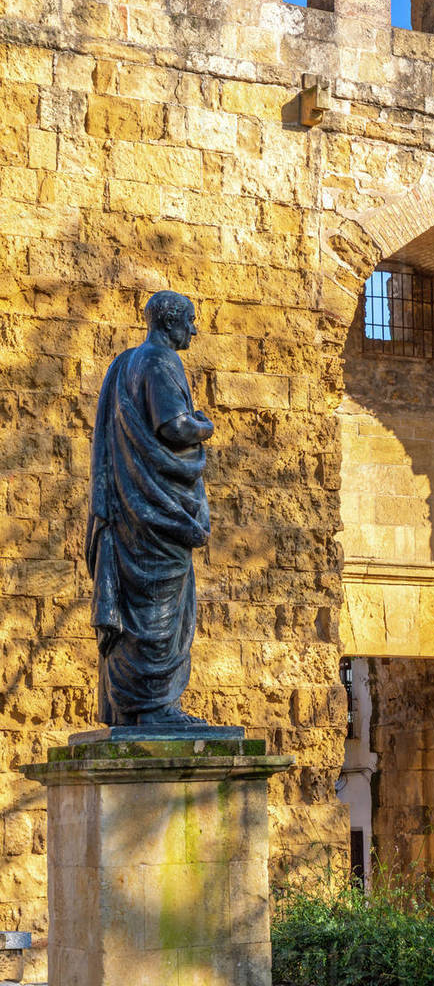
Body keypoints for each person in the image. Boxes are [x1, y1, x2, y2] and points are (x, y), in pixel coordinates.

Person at [85, 291, 214, 727]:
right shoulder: (161, 362)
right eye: (191, 321)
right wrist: (204, 424)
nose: (194, 330)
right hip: (158, 516)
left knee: (139, 604)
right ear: (169, 323)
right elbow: (172, 426)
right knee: (160, 607)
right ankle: (155, 707)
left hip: (129, 510)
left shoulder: (123, 364)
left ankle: (133, 708)